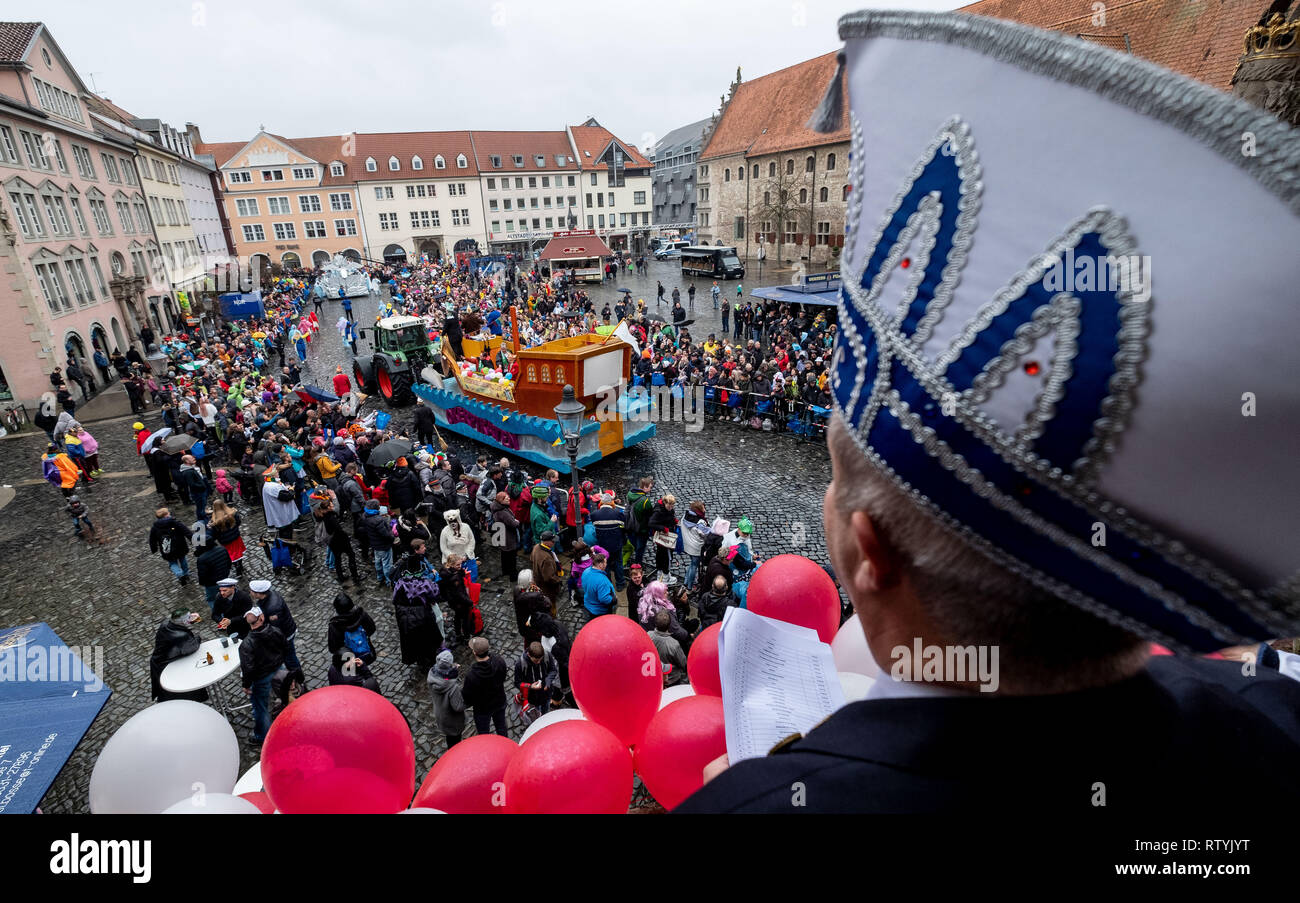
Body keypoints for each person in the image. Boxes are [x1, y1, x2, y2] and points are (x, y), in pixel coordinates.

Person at [239, 606, 288, 746]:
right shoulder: (275, 631)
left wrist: (246, 685)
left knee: (261, 708)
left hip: (261, 678)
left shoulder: (246, 645)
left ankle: (262, 737)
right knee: (286, 694)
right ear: (261, 618)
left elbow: (247, 668)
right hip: (279, 668)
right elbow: (285, 647)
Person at [149, 607, 207, 702]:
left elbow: (182, 623)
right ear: (183, 621)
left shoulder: (166, 624)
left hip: (159, 661)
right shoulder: (180, 636)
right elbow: (191, 647)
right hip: (167, 666)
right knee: (179, 691)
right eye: (189, 617)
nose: (191, 618)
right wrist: (198, 638)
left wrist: (191, 618)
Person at [392, 565, 443, 672]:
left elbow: (395, 600)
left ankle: (422, 663)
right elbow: (436, 595)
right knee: (428, 640)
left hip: (406, 618)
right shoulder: (424, 583)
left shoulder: (399, 584)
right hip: (423, 616)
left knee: (415, 641)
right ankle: (431, 662)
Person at [250, 579, 300, 672]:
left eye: (252, 591)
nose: (250, 592)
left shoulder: (272, 608)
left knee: (290, 659)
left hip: (285, 635)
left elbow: (275, 628)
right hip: (286, 631)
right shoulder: (269, 595)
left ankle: (298, 678)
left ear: (258, 593)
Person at [462, 636, 508, 737]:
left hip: (482, 709)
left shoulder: (472, 675)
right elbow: (503, 676)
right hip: (499, 701)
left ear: (474, 652)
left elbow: (467, 696)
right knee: (501, 727)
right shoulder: (499, 661)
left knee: (483, 734)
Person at [427, 650, 466, 748]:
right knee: (455, 742)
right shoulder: (452, 687)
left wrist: (451, 669)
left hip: (440, 714)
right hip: (452, 720)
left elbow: (444, 676)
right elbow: (458, 707)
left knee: (450, 738)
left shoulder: (431, 675)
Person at [328, 592, 378, 666]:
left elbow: (333, 648)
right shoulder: (361, 614)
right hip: (366, 654)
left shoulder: (335, 625)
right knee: (365, 670)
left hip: (349, 661)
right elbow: (372, 629)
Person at [513, 641, 559, 717]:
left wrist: (548, 681)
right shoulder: (520, 664)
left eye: (540, 659)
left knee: (545, 713)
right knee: (535, 717)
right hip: (532, 699)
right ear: (529, 655)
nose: (538, 662)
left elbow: (553, 670)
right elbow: (517, 683)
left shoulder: (547, 655)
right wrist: (530, 686)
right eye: (536, 661)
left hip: (546, 694)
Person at [148, 507, 193, 585]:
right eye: (168, 513)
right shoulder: (175, 522)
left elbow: (152, 540)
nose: (170, 513)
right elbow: (186, 531)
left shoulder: (155, 527)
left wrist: (154, 549)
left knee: (172, 563)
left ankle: (179, 574)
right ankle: (186, 574)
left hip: (167, 548)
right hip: (180, 546)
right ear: (165, 516)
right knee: (182, 559)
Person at [591, 494, 627, 590]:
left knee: (604, 565)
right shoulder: (618, 513)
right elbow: (624, 527)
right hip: (616, 544)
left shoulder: (594, 515)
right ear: (611, 502)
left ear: (601, 503)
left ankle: (607, 583)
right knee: (618, 563)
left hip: (602, 546)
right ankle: (620, 583)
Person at [650, 609, 688, 687]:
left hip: (653, 675)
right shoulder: (674, 644)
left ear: (655, 623)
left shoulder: (648, 635)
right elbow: (683, 663)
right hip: (670, 679)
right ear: (669, 625)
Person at [490, 490, 520, 583]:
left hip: (501, 535)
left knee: (504, 555)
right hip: (508, 537)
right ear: (501, 501)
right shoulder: (503, 512)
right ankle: (513, 576)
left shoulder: (496, 509)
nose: (509, 499)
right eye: (506, 499)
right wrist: (516, 521)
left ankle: (505, 571)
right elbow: (513, 524)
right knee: (511, 557)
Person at [529, 530, 563, 612]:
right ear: (546, 542)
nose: (554, 543)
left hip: (538, 581)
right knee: (551, 605)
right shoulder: (547, 558)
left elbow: (531, 559)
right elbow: (549, 578)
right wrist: (559, 580)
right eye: (553, 541)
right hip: (547, 588)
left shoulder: (536, 546)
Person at [580, 551, 616, 623]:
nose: (606, 564)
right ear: (600, 564)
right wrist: (614, 599)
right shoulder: (602, 580)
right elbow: (604, 599)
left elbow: (583, 585)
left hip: (588, 605)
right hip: (600, 611)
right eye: (605, 562)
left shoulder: (586, 571)